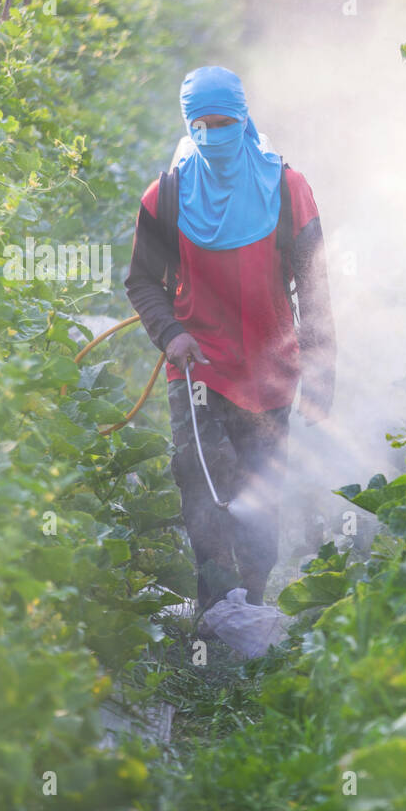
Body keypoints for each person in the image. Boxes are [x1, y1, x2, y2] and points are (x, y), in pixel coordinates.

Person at [124, 65, 334, 615]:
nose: (213, 136)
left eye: (224, 123)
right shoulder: (166, 197)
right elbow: (141, 280)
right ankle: (214, 610)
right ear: (188, 125)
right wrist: (170, 334)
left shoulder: (288, 190)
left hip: (271, 369)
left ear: (244, 119)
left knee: (261, 489)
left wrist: (321, 372)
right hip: (198, 369)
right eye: (202, 125)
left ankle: (254, 600)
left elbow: (314, 288)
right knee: (202, 485)